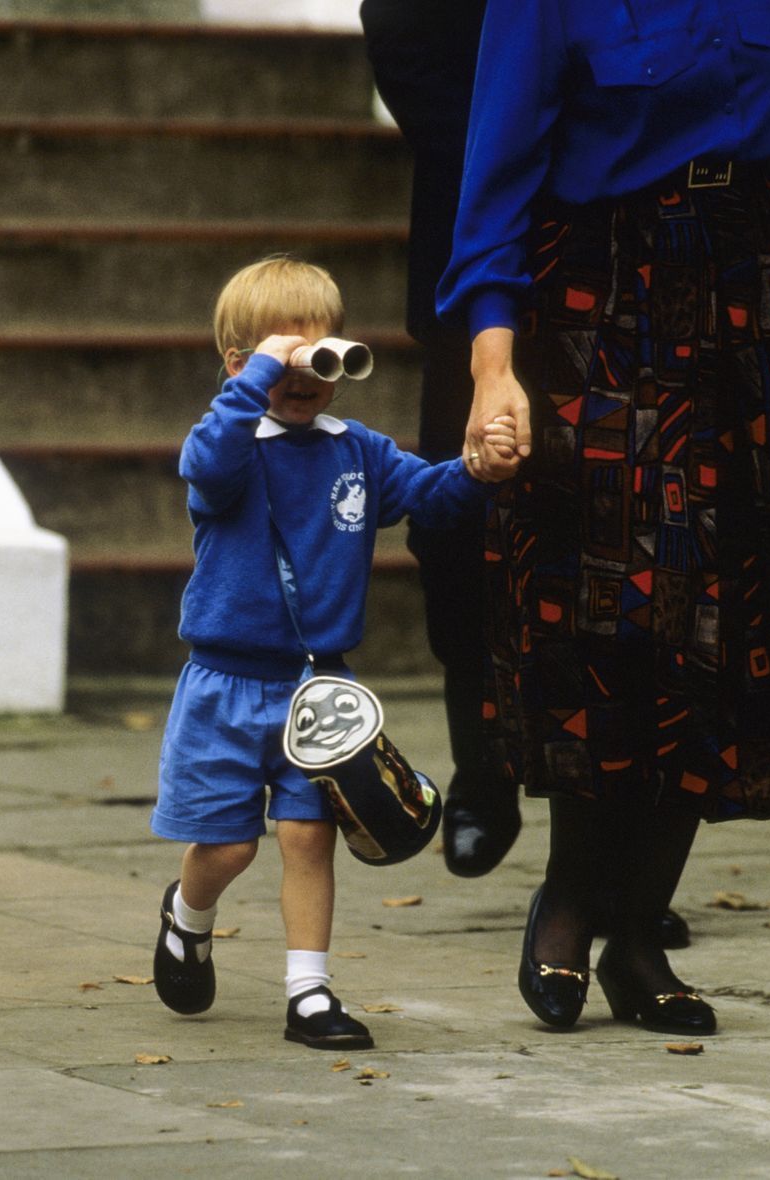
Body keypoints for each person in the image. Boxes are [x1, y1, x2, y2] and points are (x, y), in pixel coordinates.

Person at [438, 0, 770, 1035]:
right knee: (606, 616)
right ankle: (570, 895)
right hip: (604, 303)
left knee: (726, 621)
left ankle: (637, 934)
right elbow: (496, 174)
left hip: (753, 299)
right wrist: (491, 366)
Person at [150, 255, 515, 1049]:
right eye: (285, 357)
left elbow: (427, 497)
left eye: (321, 355)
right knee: (228, 845)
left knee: (309, 836)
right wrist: (258, 377)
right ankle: (188, 915)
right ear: (239, 364)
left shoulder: (358, 450)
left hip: (317, 691)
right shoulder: (231, 448)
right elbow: (205, 463)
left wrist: (478, 468)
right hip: (226, 683)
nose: (305, 375)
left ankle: (309, 992)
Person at [360, 0, 523, 877]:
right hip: (471, 248)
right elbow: (397, 24)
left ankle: (620, 857)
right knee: (456, 526)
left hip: (628, 250)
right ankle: (483, 774)